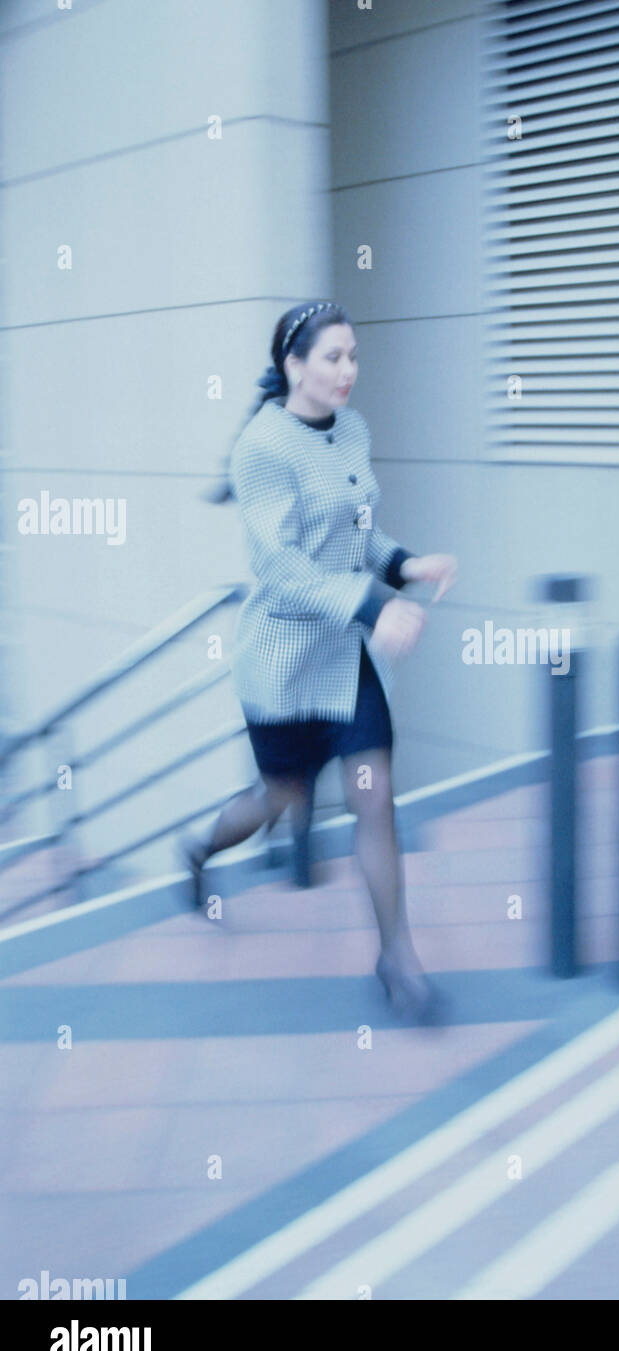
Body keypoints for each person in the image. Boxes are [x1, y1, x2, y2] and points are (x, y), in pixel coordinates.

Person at [181, 301, 457, 1024]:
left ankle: (396, 958)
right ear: (291, 365)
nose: (347, 372)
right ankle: (199, 851)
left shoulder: (354, 431)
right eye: (332, 357)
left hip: (343, 658)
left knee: (375, 799)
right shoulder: (262, 450)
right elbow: (281, 567)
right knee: (280, 799)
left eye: (353, 356)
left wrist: (405, 562)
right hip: (280, 663)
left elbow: (357, 535)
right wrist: (375, 607)